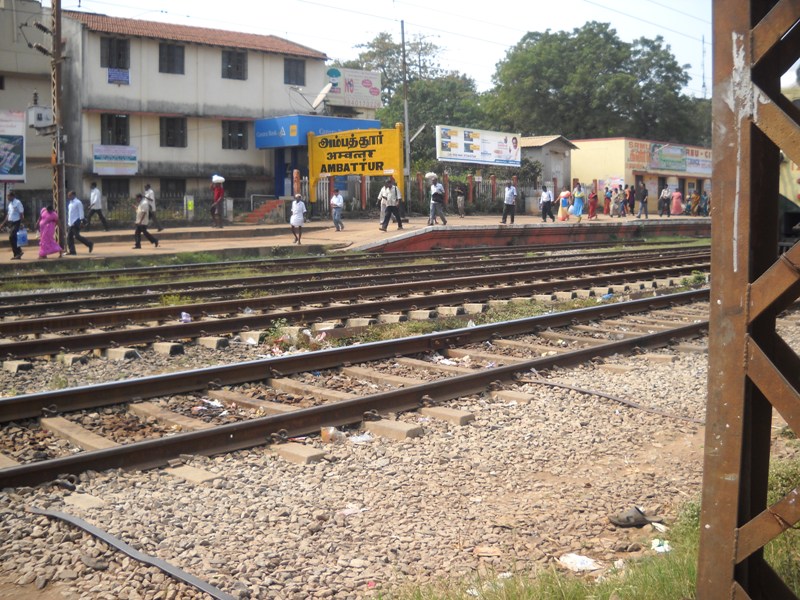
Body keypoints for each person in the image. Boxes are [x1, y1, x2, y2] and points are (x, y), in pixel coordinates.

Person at [66, 190, 94, 255]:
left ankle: (89, 244)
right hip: (70, 223)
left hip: (76, 222)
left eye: (70, 195)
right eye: (68, 196)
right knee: (70, 237)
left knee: (76, 236)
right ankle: (72, 251)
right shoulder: (70, 203)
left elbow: (81, 212)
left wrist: (81, 221)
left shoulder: (78, 202)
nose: (68, 197)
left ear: (73, 195)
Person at [0, 191, 25, 260]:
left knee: (12, 236)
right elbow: (8, 215)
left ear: (12, 196)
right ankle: (18, 253)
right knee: (13, 238)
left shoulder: (18, 202)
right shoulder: (10, 204)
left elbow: (21, 213)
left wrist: (21, 223)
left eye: (8, 196)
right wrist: (2, 224)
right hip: (11, 223)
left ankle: (18, 253)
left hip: (17, 222)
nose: (7, 198)